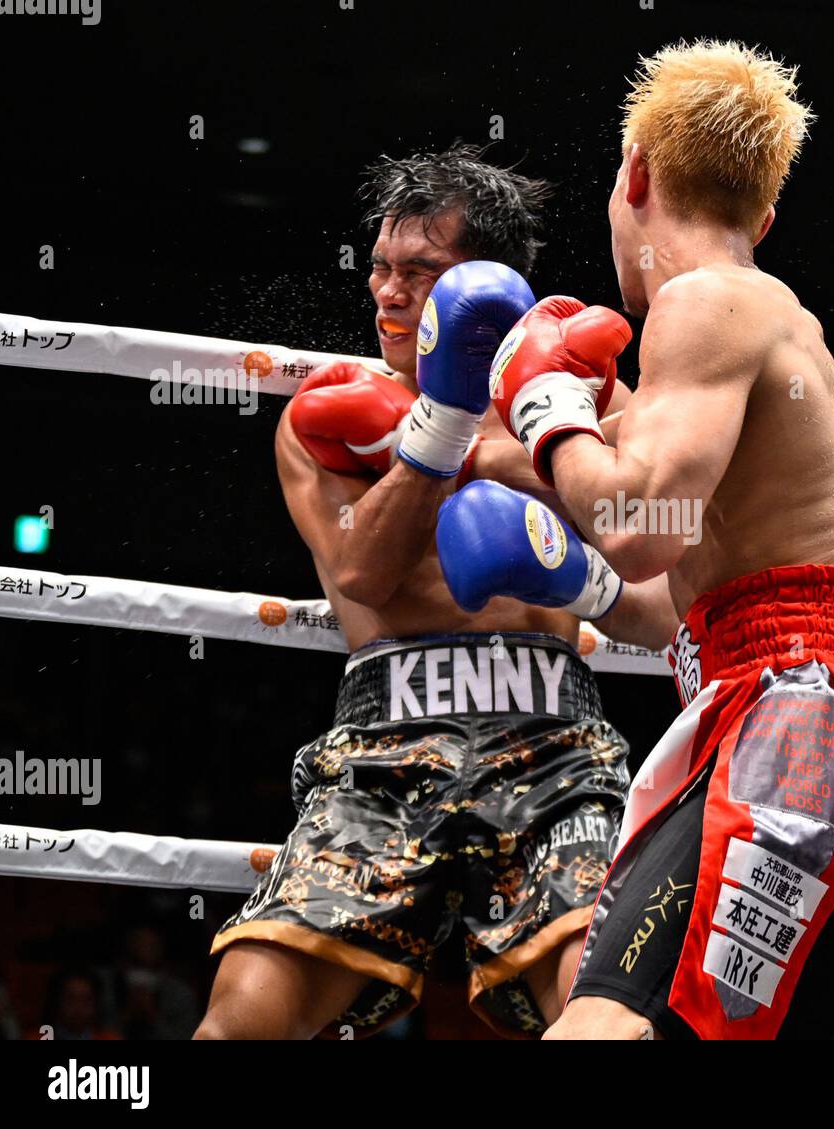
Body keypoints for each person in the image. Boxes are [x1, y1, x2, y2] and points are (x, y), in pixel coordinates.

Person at [464, 40, 834, 1039]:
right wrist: (496, 480)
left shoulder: (705, 301)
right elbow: (671, 601)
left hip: (798, 720)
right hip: (817, 715)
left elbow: (629, 523)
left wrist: (545, 408)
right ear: (763, 213)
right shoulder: (745, 329)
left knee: (609, 1023)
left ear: (634, 173)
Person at [195, 146, 635, 1040]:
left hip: (550, 736)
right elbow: (363, 572)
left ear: (485, 281)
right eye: (380, 270)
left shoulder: (574, 391)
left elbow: (645, 526)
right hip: (385, 736)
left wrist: (488, 434)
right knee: (243, 1019)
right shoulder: (326, 413)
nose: (389, 294)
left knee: (610, 1008)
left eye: (421, 273)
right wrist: (440, 418)